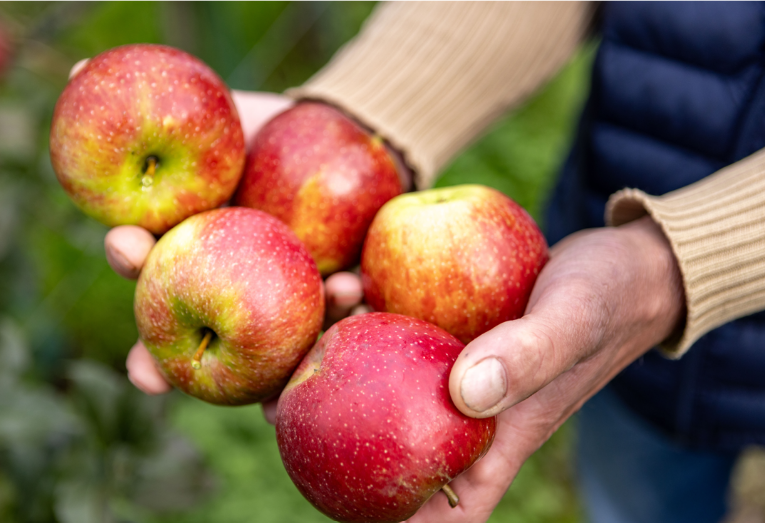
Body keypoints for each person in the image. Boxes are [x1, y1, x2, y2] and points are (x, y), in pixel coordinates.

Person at [104, 3, 765, 522]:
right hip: (619, 299)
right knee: (639, 494)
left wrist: (676, 263)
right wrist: (367, 120)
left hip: (631, 283)